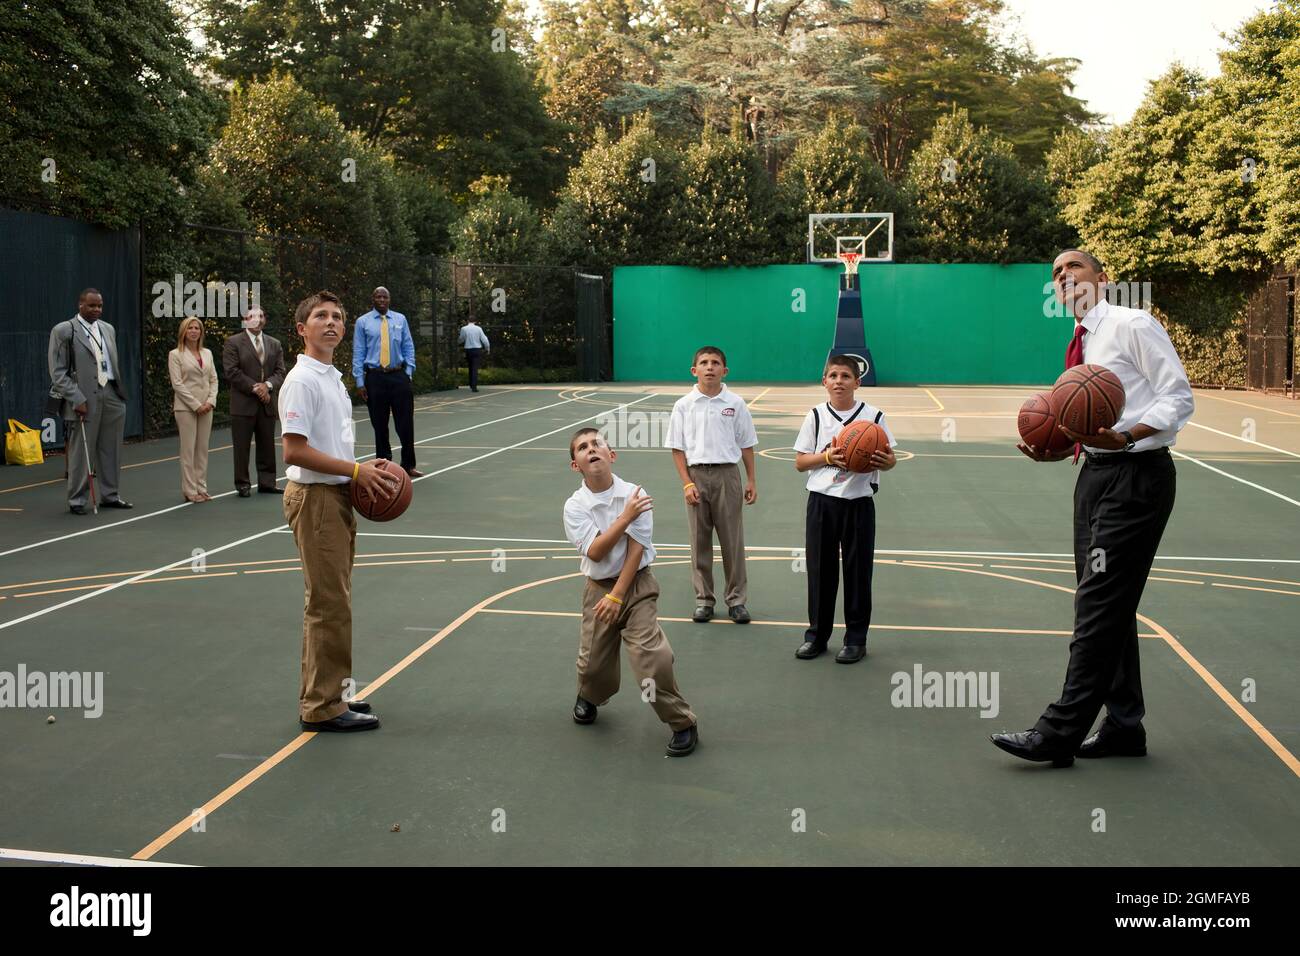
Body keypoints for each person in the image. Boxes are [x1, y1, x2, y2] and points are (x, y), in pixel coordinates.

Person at [991, 249, 1194, 767]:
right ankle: (1125, 726)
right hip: (1097, 476)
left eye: (1073, 267)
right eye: (1056, 274)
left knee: (1097, 605)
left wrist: (1123, 437)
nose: (1063, 276)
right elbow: (1085, 423)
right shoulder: (1083, 343)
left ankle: (1059, 731)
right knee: (1108, 602)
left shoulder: (1132, 323)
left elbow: (1177, 398)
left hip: (1136, 478)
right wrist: (1056, 445)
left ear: (1102, 279)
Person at [280, 291, 397, 732]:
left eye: (337, 317)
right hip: (316, 500)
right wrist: (353, 470)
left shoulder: (332, 378)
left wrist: (361, 469)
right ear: (301, 329)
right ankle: (322, 706)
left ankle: (329, 692)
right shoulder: (302, 380)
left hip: (337, 496)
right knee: (328, 605)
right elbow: (294, 449)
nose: (331, 323)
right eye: (320, 316)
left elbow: (330, 445)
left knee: (333, 601)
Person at [563, 427, 699, 756]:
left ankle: (682, 723)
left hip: (636, 584)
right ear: (576, 464)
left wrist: (618, 595)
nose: (591, 449)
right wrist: (624, 519)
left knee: (652, 659)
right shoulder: (575, 505)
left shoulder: (634, 493)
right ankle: (591, 695)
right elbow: (595, 551)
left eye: (597, 444)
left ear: (612, 455)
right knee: (592, 666)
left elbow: (636, 549)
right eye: (583, 447)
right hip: (598, 587)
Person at [791, 354, 897, 664]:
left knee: (858, 574)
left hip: (859, 504)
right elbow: (800, 463)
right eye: (833, 376)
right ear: (824, 381)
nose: (839, 381)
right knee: (821, 573)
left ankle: (856, 639)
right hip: (822, 503)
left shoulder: (874, 417)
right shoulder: (815, 416)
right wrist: (827, 457)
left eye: (845, 376)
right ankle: (817, 636)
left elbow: (890, 460)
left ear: (857, 382)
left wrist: (887, 462)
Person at [665, 345, 759, 624]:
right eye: (704, 363)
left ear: (724, 370)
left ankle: (737, 601)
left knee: (733, 542)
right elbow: (677, 448)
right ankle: (704, 600)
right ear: (694, 370)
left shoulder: (736, 404)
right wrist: (686, 483)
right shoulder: (684, 405)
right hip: (696, 477)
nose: (709, 367)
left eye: (715, 363)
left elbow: (746, 444)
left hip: (727, 476)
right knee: (699, 541)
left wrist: (751, 478)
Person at [47, 289, 133, 514]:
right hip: (84, 398)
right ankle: (77, 499)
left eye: (100, 306)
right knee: (81, 452)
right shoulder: (64, 330)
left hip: (111, 394)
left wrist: (117, 392)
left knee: (112, 449)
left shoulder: (108, 329)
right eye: (92, 305)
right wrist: (76, 398)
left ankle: (110, 495)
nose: (97, 310)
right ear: (80, 305)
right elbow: (57, 372)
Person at [353, 286, 421, 477]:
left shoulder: (400, 319)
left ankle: (408, 464)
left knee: (405, 423)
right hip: (375, 377)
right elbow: (359, 351)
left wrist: (408, 372)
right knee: (379, 424)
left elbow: (408, 345)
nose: (381, 300)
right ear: (372, 299)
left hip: (398, 376)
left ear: (389, 300)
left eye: (385, 297)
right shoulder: (362, 322)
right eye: (378, 296)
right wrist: (360, 381)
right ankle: (383, 464)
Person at [223, 306, 287, 497]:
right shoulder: (233, 342)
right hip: (243, 404)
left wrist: (267, 386)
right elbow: (232, 372)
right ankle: (242, 484)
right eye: (252, 316)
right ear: (245, 320)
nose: (257, 320)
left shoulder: (274, 344)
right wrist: (256, 388)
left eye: (260, 316)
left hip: (266, 403)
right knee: (241, 447)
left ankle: (267, 482)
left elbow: (280, 372)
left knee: (267, 445)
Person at [168, 317, 219, 503]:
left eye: (197, 328)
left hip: (207, 407)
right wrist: (196, 405)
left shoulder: (207, 353)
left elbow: (214, 379)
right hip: (186, 408)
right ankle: (190, 490)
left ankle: (201, 487)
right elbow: (177, 384)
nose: (194, 331)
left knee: (202, 449)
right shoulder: (175, 354)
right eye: (190, 328)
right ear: (184, 331)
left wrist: (210, 401)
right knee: (188, 450)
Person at [458, 317, 490, 392]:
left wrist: (457, 343)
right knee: (475, 368)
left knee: (470, 366)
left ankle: (471, 384)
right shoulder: (478, 329)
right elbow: (484, 339)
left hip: (468, 349)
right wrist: (487, 348)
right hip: (477, 349)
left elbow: (461, 338)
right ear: (475, 321)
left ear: (467, 321)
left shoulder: (464, 329)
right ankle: (474, 386)